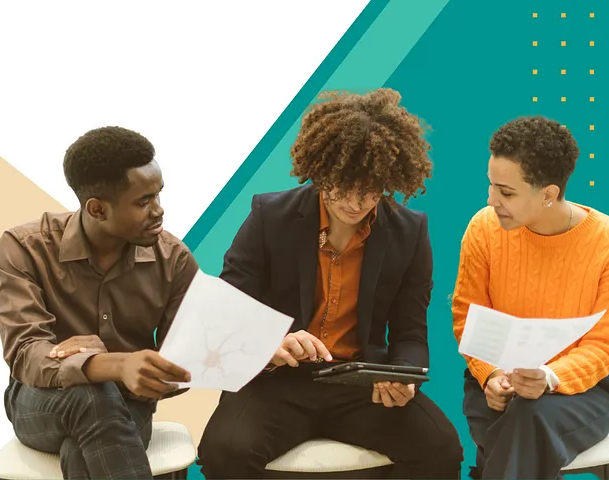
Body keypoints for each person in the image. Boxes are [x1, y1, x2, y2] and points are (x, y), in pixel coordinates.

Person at [197, 88, 463, 479]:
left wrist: (404, 376)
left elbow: (410, 331)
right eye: (344, 186)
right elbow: (228, 309)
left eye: (371, 190)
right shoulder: (269, 216)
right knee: (224, 452)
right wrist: (269, 342)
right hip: (275, 383)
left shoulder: (410, 232)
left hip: (361, 384)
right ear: (322, 171)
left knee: (442, 448)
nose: (356, 203)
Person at [0, 126, 198, 479]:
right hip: (39, 399)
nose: (158, 211)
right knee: (92, 396)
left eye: (158, 195)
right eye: (143, 202)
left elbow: (185, 356)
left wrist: (167, 372)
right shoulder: (24, 248)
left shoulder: (174, 259)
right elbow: (27, 352)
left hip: (127, 405)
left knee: (83, 451)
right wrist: (112, 365)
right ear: (97, 208)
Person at [452, 115, 609, 479]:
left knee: (526, 420)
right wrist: (492, 376)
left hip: (581, 391)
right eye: (491, 186)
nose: (491, 200)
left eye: (506, 192)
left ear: (548, 194)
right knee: (517, 426)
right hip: (496, 384)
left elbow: (605, 346)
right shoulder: (483, 228)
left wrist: (548, 377)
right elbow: (467, 316)